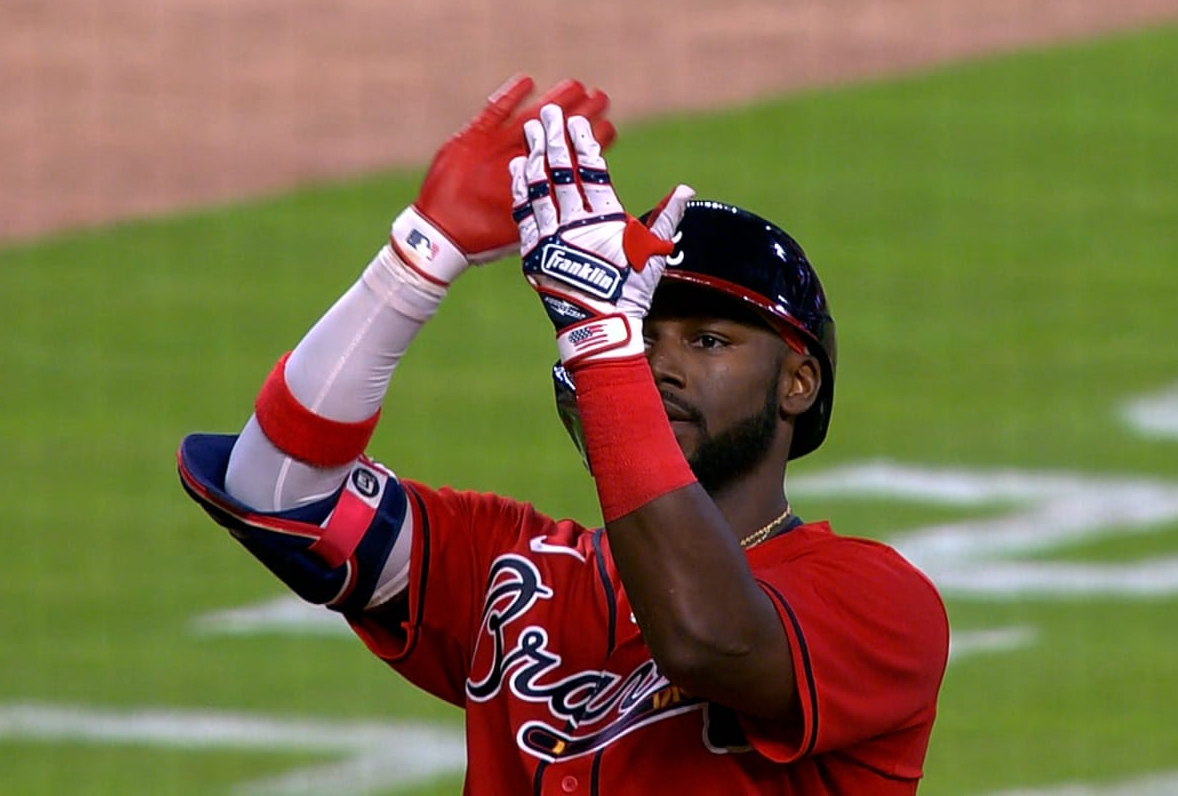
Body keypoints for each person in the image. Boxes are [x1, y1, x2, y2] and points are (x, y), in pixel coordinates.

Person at [177, 74, 950, 794]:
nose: (661, 366)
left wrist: (601, 346)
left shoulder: (879, 603)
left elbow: (706, 637)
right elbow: (276, 491)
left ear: (798, 382)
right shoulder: (520, 573)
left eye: (708, 341)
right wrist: (415, 262)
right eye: (640, 335)